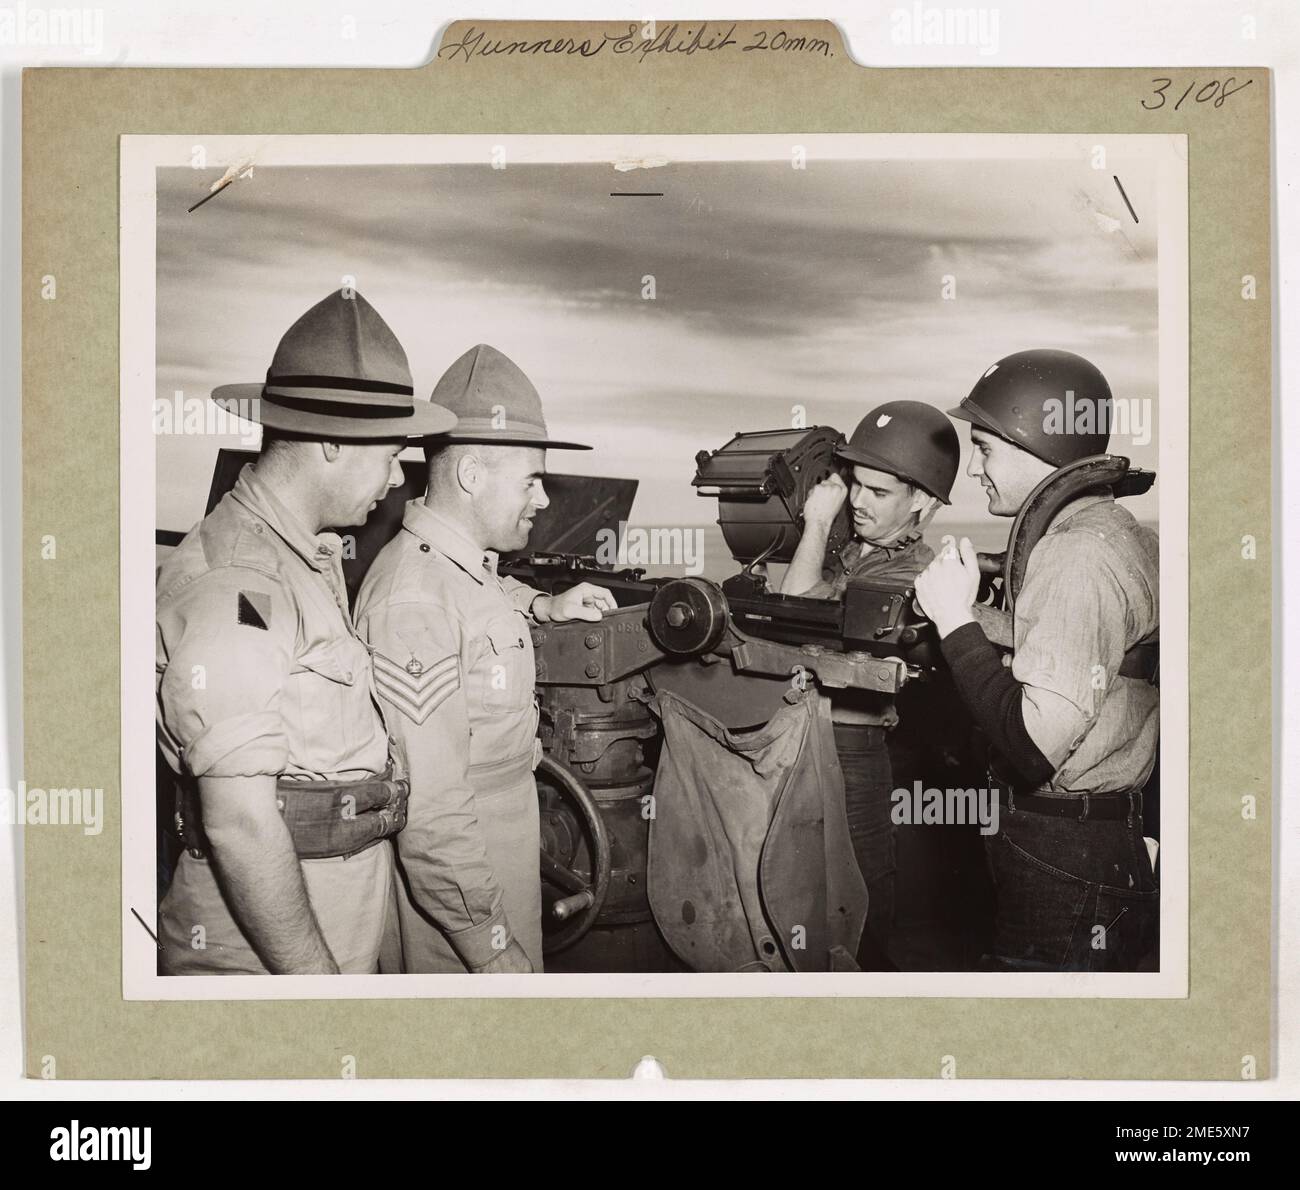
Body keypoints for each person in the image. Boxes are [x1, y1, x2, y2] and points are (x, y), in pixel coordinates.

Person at [155, 289, 457, 974]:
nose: (396, 477)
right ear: (332, 441)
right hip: (270, 959)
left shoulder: (305, 555)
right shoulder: (240, 581)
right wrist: (319, 994)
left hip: (330, 920)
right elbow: (239, 821)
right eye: (388, 453)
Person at [356, 344, 616, 974]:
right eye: (531, 479)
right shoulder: (413, 601)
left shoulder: (462, 569)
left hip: (505, 843)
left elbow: (485, 594)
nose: (544, 499)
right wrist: (490, 946)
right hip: (458, 890)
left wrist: (545, 608)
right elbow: (436, 814)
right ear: (471, 475)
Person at [914, 348, 1159, 971]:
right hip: (1088, 847)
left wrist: (955, 622)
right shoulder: (1115, 532)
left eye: (986, 449)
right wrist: (972, 621)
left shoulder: (1078, 557)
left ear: (1035, 443)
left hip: (1065, 859)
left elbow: (1031, 746)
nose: (975, 471)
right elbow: (1079, 652)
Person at [780, 401, 959, 969]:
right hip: (807, 738)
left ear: (921, 503)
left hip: (855, 751)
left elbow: (797, 613)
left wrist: (814, 524)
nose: (857, 502)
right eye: (855, 484)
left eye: (878, 493)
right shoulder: (861, 553)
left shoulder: (912, 572)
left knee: (857, 898)